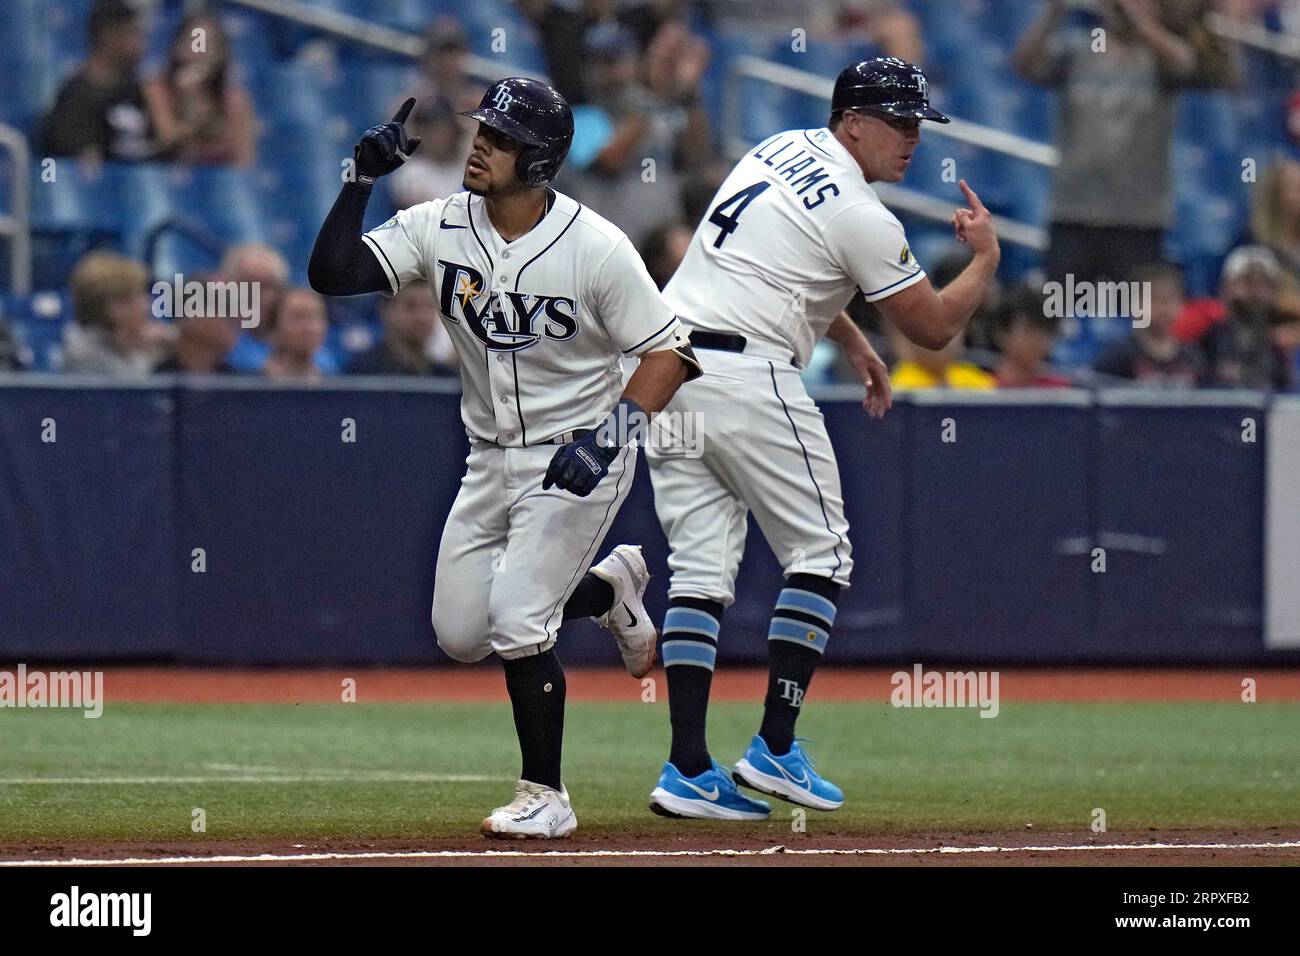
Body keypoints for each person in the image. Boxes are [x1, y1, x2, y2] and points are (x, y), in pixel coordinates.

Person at [307, 81, 700, 839]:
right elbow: (335, 274)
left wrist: (610, 437)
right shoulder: (441, 224)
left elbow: (669, 353)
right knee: (461, 633)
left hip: (578, 453)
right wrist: (359, 179)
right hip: (488, 456)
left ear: (543, 159)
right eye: (483, 129)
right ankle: (608, 592)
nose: (482, 143)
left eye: (504, 136)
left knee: (518, 617)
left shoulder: (596, 246)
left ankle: (546, 795)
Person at [644, 58, 999, 820]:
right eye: (900, 124)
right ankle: (775, 746)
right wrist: (986, 261)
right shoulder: (861, 212)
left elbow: (783, 267)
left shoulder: (777, 148)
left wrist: (859, 346)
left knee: (700, 572)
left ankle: (688, 769)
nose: (912, 139)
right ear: (854, 124)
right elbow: (935, 328)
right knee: (824, 552)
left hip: (666, 368)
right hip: (748, 376)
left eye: (918, 125)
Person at [1013, 0, 1238, 287]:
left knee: (1132, 316)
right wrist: (1053, 12)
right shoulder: (1079, 50)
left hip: (1138, 219)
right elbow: (1024, 64)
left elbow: (1185, 63)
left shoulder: (1159, 58)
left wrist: (1141, 23)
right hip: (1074, 212)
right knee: (1062, 309)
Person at [38, 0, 156, 162]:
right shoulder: (76, 98)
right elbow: (82, 165)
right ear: (109, 38)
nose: (143, 45)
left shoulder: (137, 90)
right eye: (133, 34)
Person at [143, 11, 257, 166]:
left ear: (220, 54)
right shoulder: (158, 90)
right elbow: (170, 141)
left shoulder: (234, 100)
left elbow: (245, 159)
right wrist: (189, 98)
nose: (200, 53)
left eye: (209, 45)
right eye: (195, 43)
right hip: (172, 177)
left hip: (221, 180)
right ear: (178, 46)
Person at [62, 252, 173, 376]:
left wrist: (171, 341)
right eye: (138, 297)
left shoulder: (151, 344)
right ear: (114, 308)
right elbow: (129, 391)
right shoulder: (82, 353)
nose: (147, 305)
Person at [1093, 262, 1203, 386]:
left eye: (1170, 299)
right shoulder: (1117, 356)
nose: (1164, 309)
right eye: (1154, 299)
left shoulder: (1192, 356)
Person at [346, 281, 455, 376]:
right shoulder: (361, 376)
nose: (422, 316)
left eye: (430, 306)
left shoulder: (445, 378)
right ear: (386, 310)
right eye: (411, 306)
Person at [991, 286, 1069, 387]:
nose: (1037, 339)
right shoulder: (977, 386)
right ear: (1003, 332)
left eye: (1046, 331)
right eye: (1029, 329)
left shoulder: (1058, 391)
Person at [262, 288, 329, 382]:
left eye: (314, 317)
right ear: (274, 329)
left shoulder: (339, 384)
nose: (309, 328)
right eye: (297, 318)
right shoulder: (246, 385)